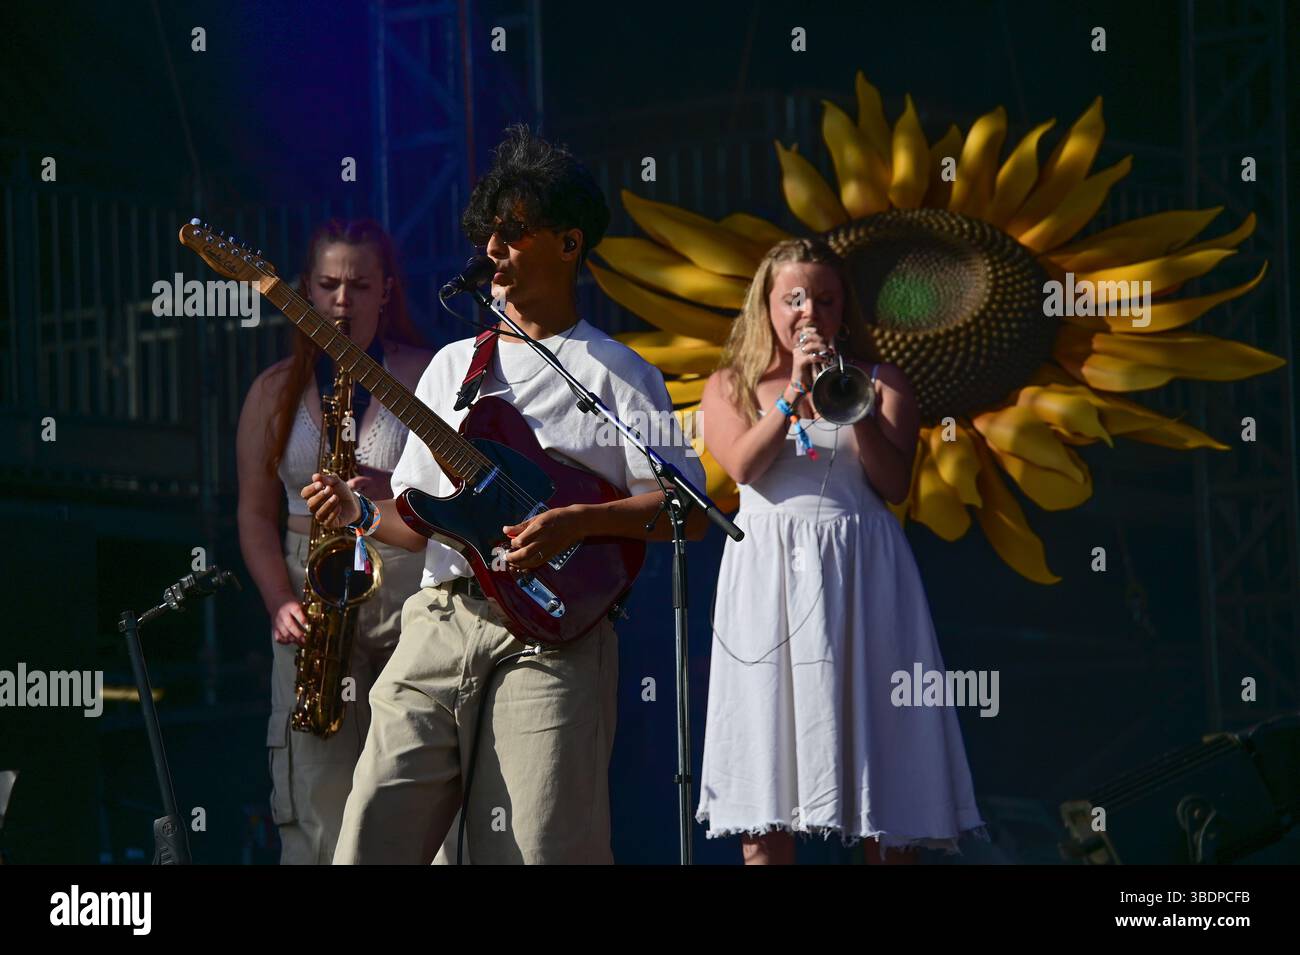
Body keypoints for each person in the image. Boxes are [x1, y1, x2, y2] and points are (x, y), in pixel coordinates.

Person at [302, 124, 709, 864]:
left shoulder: (620, 370)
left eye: (515, 232)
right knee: (367, 835)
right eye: (490, 230)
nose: (493, 247)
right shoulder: (452, 367)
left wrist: (576, 522)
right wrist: (362, 510)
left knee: (536, 849)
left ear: (569, 243)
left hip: (555, 636)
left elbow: (685, 509)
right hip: (439, 620)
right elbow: (420, 520)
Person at [695, 237, 988, 865]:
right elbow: (744, 467)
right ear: (766, 305)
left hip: (865, 576)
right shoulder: (729, 385)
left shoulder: (884, 382)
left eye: (824, 300)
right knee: (766, 774)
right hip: (770, 580)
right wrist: (791, 397)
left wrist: (846, 397)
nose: (809, 313)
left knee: (884, 775)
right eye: (793, 299)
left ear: (843, 308)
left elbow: (893, 483)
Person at [235, 218, 434, 864]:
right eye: (327, 284)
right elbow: (256, 515)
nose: (342, 300)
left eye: (359, 284)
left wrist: (389, 489)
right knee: (318, 787)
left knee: (417, 775)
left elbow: (461, 493)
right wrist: (276, 600)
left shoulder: (427, 374)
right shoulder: (270, 391)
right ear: (304, 292)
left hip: (406, 575)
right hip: (309, 581)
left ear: (387, 293)